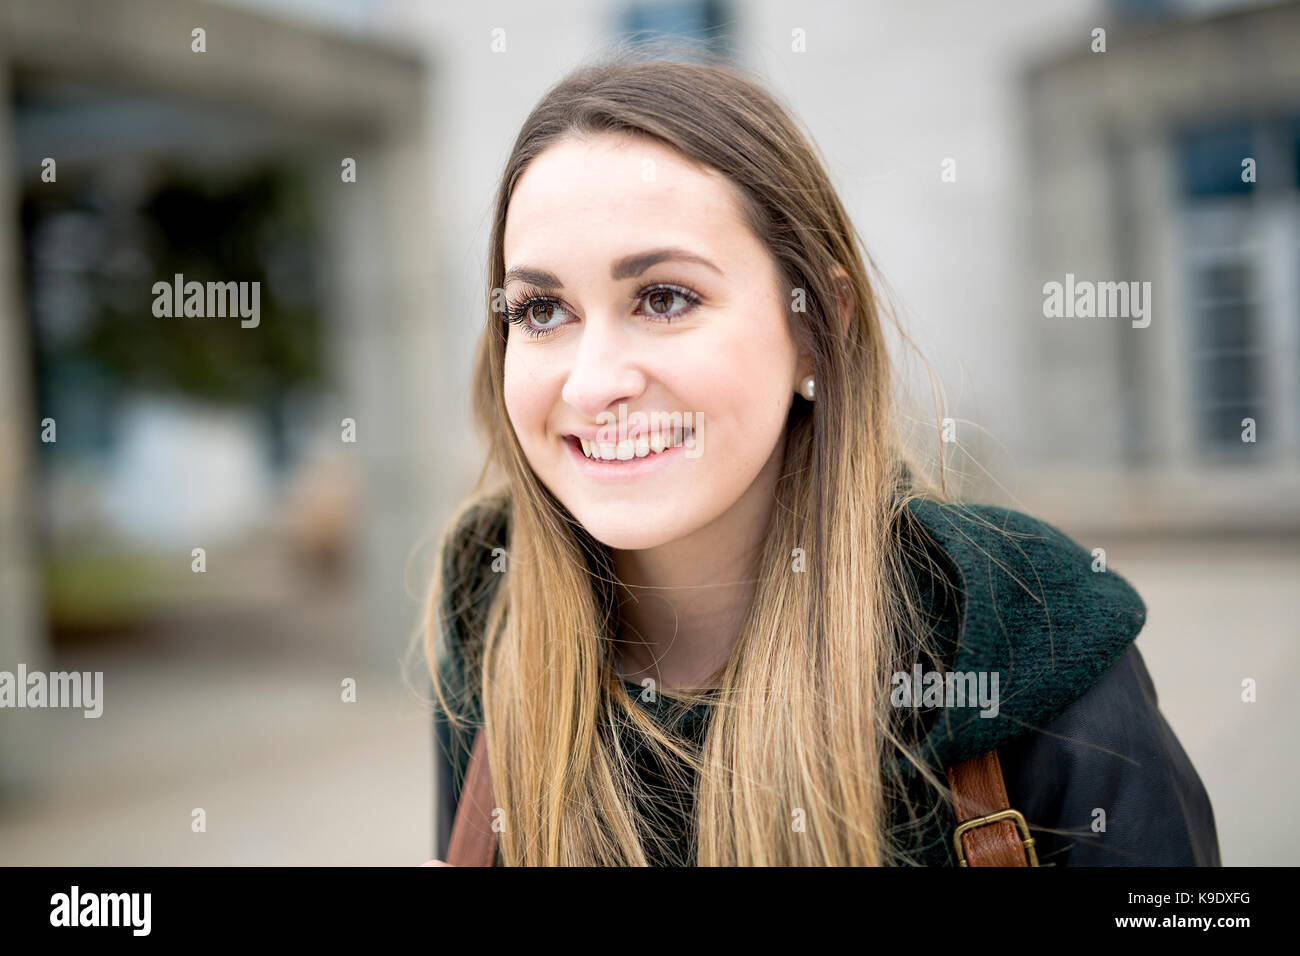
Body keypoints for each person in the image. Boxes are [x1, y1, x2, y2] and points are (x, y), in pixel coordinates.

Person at [421, 50, 1219, 867]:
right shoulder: (492, 617)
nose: (593, 385)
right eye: (542, 308)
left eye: (664, 298)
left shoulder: (1022, 633)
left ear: (818, 323)